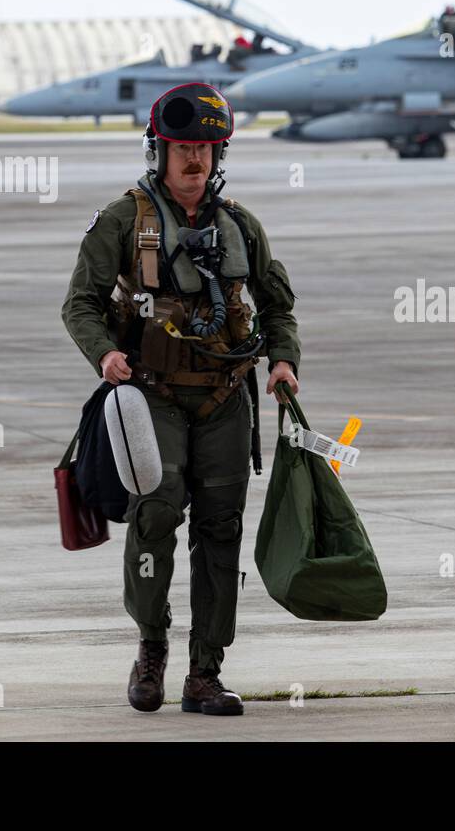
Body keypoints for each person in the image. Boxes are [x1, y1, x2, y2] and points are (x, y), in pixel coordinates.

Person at [62, 82, 301, 716]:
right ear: (159, 150)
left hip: (226, 397)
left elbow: (278, 304)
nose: (194, 160)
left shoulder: (242, 226)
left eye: (206, 148)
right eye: (183, 148)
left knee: (221, 532)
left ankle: (205, 674)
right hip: (152, 396)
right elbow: (80, 303)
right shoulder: (122, 219)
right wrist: (104, 354)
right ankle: (151, 652)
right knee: (156, 516)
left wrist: (283, 361)